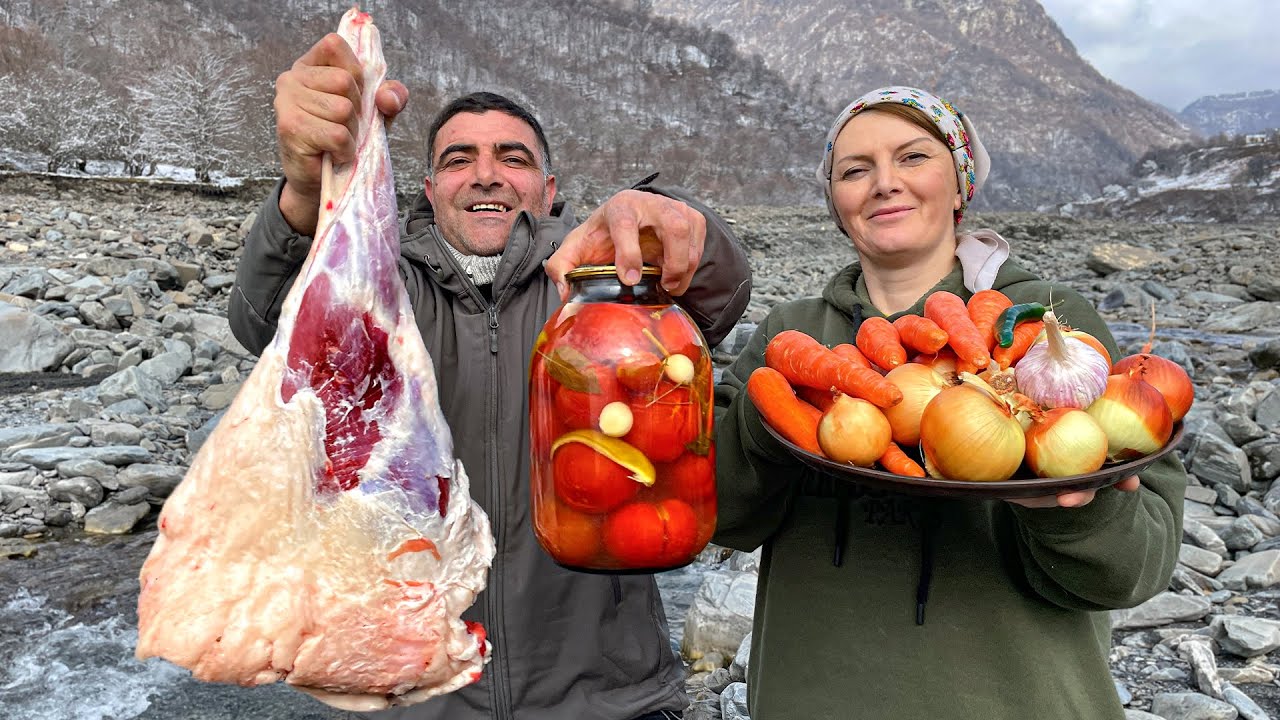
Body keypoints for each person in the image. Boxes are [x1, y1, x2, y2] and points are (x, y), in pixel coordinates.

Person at [227, 33, 751, 720]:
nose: (486, 175)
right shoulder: (379, 290)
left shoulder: (609, 292)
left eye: (513, 157)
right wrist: (304, 190)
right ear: (429, 190)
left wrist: (676, 222)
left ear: (549, 191)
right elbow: (268, 322)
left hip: (606, 696)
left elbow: (719, 295)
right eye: (458, 160)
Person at [712, 86, 1186, 719]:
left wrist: (1073, 513)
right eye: (854, 170)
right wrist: (772, 410)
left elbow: (1135, 571)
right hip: (812, 699)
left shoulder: (1049, 327)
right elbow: (721, 517)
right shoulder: (789, 335)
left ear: (961, 183)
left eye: (913, 157)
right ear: (836, 204)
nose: (885, 183)